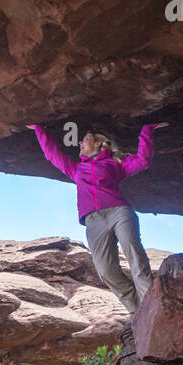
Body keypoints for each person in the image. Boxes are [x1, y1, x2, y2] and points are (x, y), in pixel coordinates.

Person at [26, 122, 168, 313]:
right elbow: (52, 155)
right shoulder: (76, 169)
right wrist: (38, 129)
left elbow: (142, 160)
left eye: (85, 139)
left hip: (119, 212)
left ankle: (152, 306)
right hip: (94, 222)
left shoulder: (115, 164)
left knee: (132, 249)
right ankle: (137, 312)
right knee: (105, 271)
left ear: (100, 144)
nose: (80, 143)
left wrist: (146, 131)